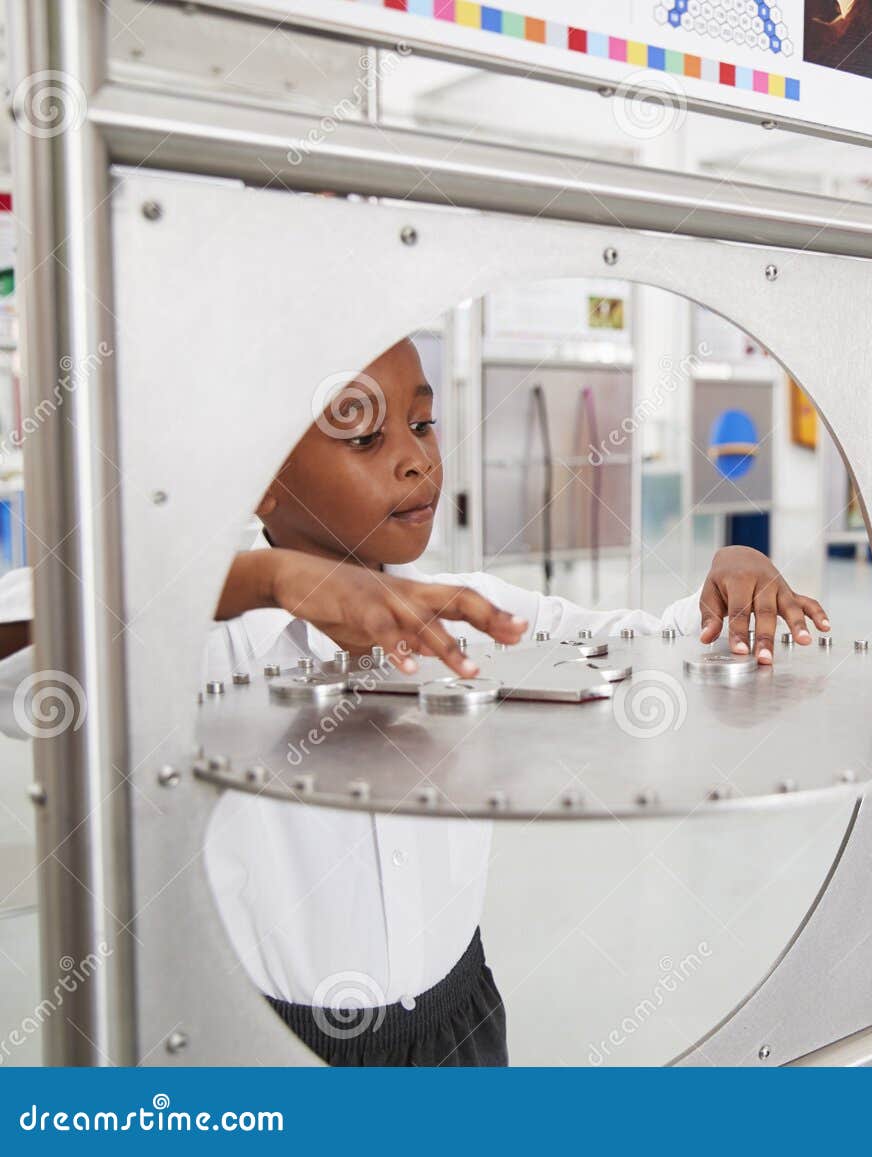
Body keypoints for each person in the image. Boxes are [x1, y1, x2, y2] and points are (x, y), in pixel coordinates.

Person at [0, 337, 829, 1066]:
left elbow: (643, 643)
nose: (417, 461)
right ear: (256, 480)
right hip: (266, 1043)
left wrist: (731, 575)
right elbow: (35, 632)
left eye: (424, 425)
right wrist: (267, 580)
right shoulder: (197, 640)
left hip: (458, 1025)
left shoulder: (466, 608)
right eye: (364, 436)